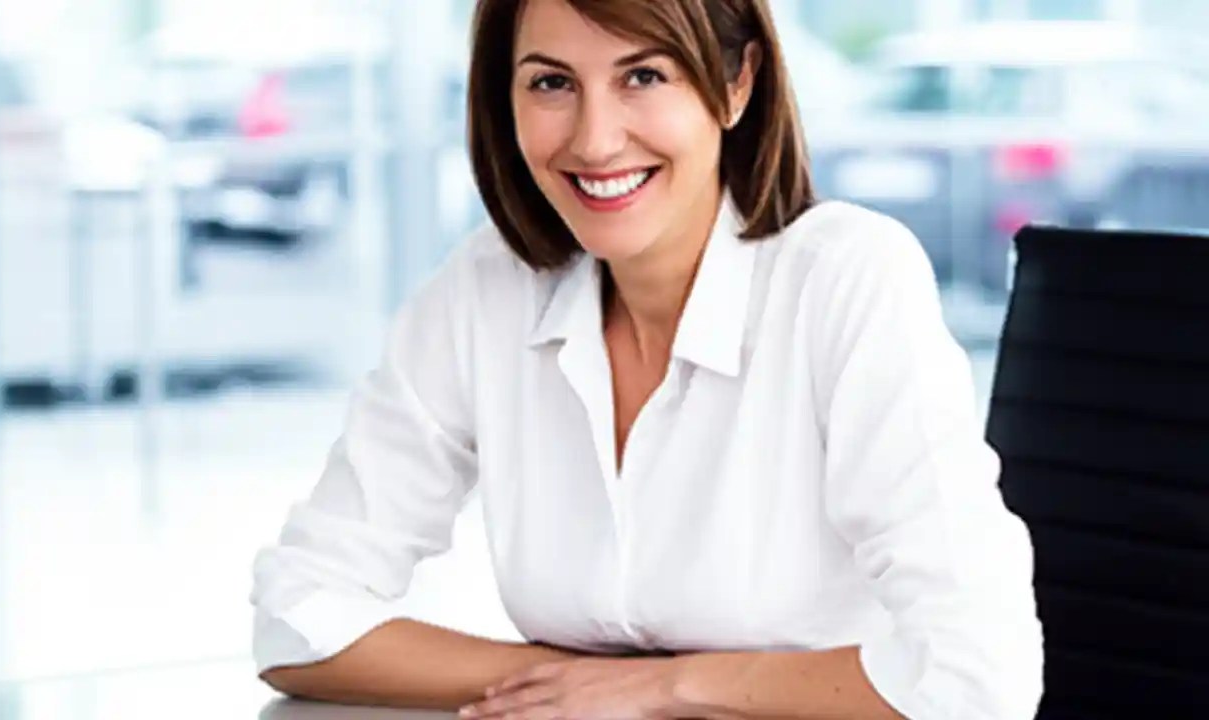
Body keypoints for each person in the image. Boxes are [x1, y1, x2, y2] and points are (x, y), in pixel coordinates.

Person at [251, 0, 1044, 717]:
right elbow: (298, 614)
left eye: (644, 75)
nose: (594, 139)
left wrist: (667, 684)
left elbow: (978, 679)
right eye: (551, 83)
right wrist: (570, 679)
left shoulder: (845, 278)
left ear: (737, 85)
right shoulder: (489, 289)